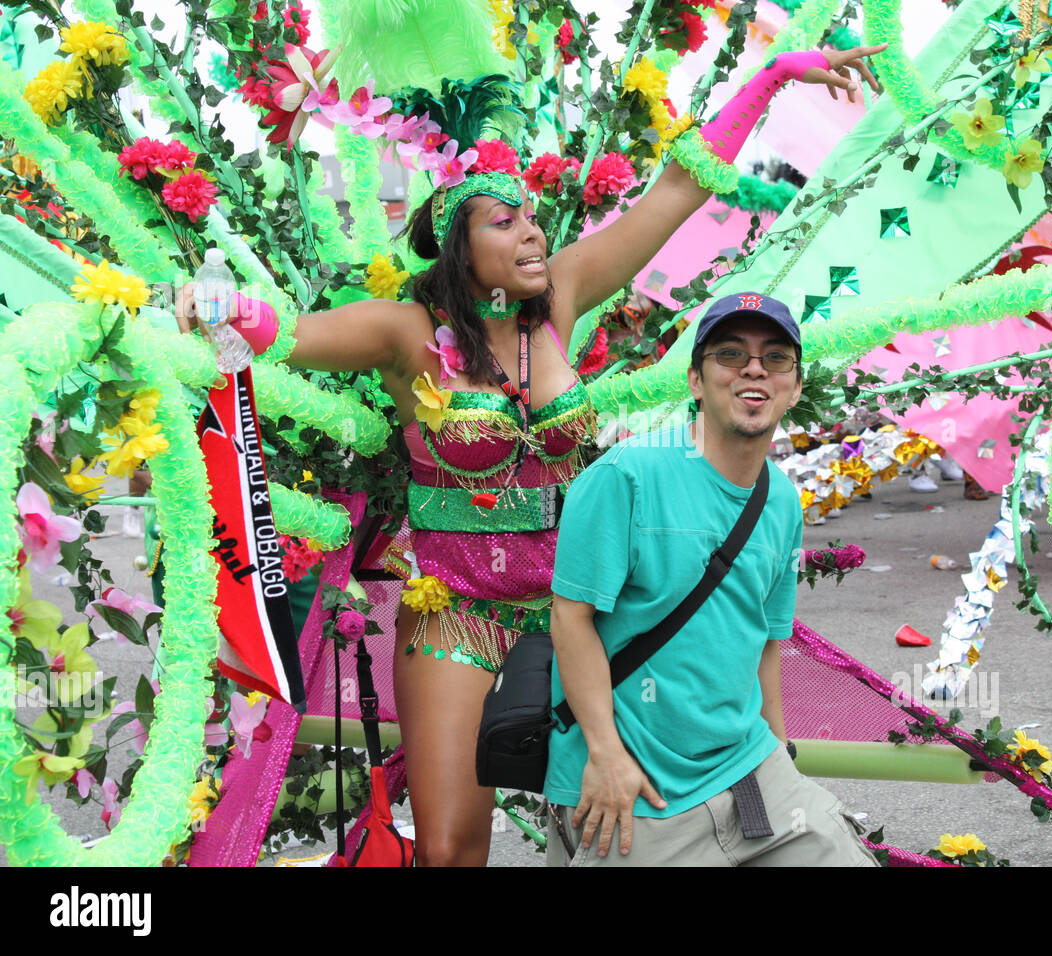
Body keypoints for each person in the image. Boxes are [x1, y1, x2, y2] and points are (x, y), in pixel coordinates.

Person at [177, 46, 883, 866]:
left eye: (532, 216)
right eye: (503, 221)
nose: (533, 230)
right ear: (458, 250)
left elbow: (678, 193)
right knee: (449, 850)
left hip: (583, 612)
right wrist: (219, 301)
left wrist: (774, 74)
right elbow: (287, 335)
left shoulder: (562, 304)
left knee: (632, 814)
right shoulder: (407, 335)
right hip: (459, 615)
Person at [544, 292, 878, 866]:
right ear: (696, 381)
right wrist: (604, 756)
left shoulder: (780, 500)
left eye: (776, 358)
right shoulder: (626, 475)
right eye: (730, 354)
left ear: (794, 388)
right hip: (637, 787)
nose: (754, 368)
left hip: (751, 769)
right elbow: (570, 618)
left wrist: (779, 755)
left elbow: (765, 643)